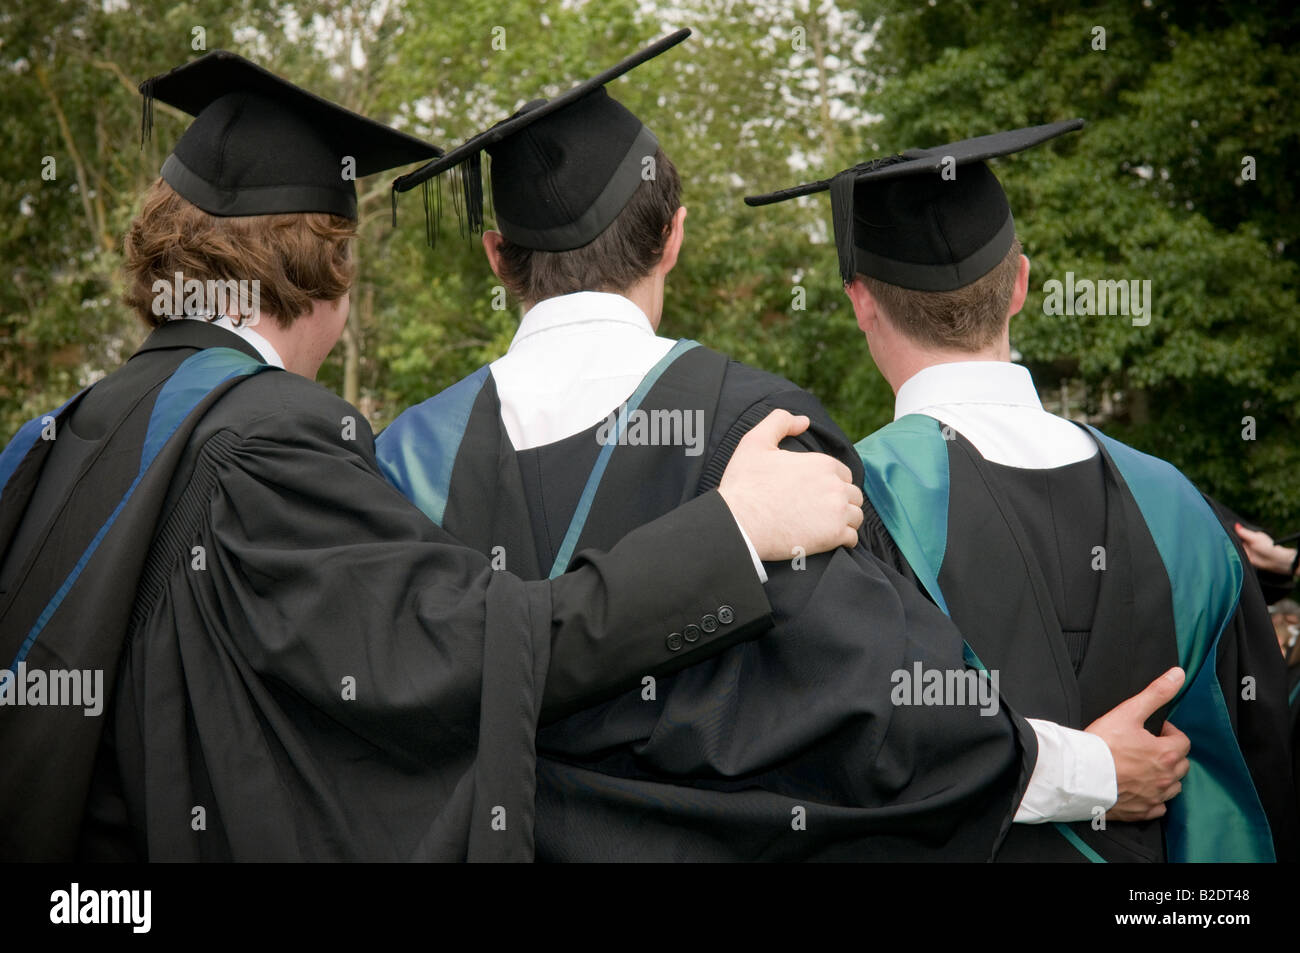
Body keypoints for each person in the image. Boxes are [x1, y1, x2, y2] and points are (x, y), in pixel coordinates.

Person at [0, 52, 864, 862]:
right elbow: (478, 649)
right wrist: (736, 530)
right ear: (330, 274)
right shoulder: (266, 441)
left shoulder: (58, 437)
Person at [378, 32, 1189, 859]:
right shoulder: (763, 431)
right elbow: (878, 705)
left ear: (496, 257)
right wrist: (1089, 769)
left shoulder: (402, 459)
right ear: (673, 239)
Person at [746, 121, 1300, 861]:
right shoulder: (1181, 508)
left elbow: (828, 765)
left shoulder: (837, 505)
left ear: (860, 303)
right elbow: (1257, 776)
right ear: (1022, 284)